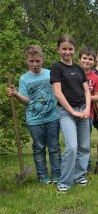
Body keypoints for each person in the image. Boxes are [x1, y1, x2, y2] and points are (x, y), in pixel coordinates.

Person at [6, 45, 61, 184]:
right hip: (34, 121)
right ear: (26, 61)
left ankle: (57, 176)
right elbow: (26, 100)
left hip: (52, 117)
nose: (35, 64)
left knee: (54, 147)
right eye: (31, 61)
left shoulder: (50, 74)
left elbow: (58, 91)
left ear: (42, 59)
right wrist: (16, 94)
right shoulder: (24, 79)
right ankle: (43, 177)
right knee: (39, 149)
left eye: (37, 60)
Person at [50, 34, 91, 192]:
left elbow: (87, 91)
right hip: (67, 113)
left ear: (74, 50)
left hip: (82, 111)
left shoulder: (79, 68)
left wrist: (87, 108)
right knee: (72, 147)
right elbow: (57, 93)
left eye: (70, 49)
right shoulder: (56, 68)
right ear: (58, 49)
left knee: (85, 146)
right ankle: (64, 182)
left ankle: (79, 175)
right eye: (64, 49)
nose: (67, 52)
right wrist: (72, 111)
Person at [79, 47, 98, 172]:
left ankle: (86, 168)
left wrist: (84, 97)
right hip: (72, 112)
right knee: (73, 142)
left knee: (85, 142)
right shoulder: (74, 72)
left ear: (94, 61)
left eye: (90, 59)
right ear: (79, 59)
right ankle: (75, 166)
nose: (87, 61)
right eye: (84, 58)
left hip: (89, 114)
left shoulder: (95, 77)